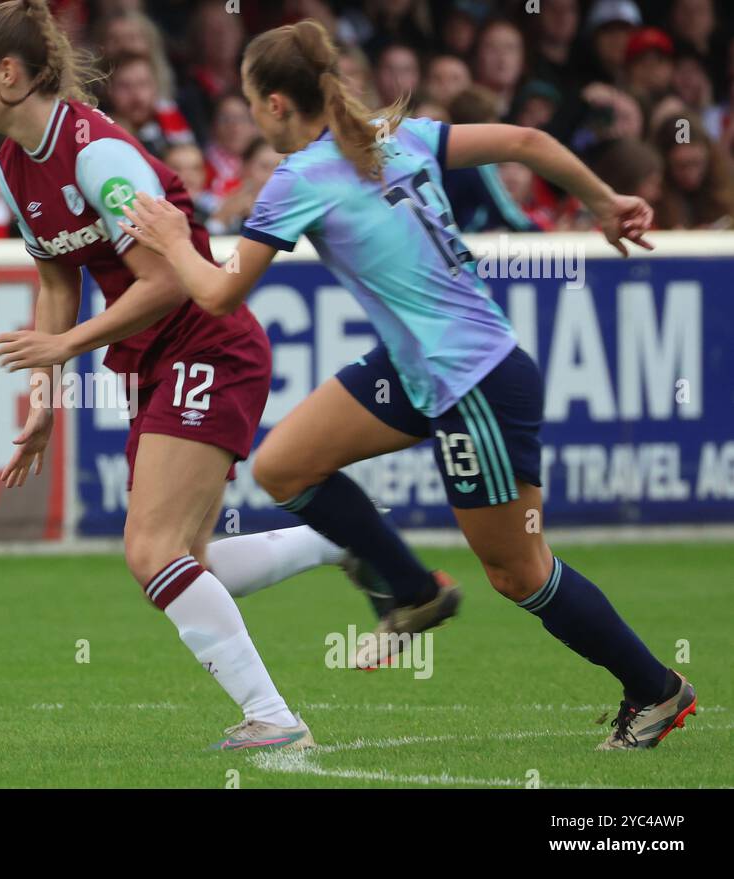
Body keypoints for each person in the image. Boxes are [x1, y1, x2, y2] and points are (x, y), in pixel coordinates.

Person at [122, 19, 697, 751]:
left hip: (475, 383)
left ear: (272, 104)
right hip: (421, 368)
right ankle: (413, 589)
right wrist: (603, 201)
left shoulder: (300, 178)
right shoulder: (402, 137)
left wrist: (173, 239)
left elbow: (220, 294)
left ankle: (655, 687)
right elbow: (525, 141)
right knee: (283, 466)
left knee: (518, 571)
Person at [0, 0, 359, 752]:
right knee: (187, 558)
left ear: (9, 74)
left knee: (151, 552)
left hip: (205, 340)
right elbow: (57, 282)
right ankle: (340, 541)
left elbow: (172, 280)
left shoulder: (95, 152)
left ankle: (274, 718)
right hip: (157, 354)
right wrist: (45, 398)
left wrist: (69, 343)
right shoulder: (14, 163)